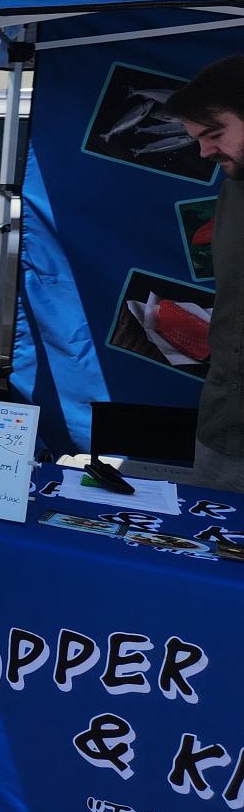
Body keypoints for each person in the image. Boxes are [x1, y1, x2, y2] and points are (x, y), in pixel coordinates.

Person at [166, 57, 244, 492]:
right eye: (196, 138)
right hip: (222, 428)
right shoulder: (233, 187)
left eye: (214, 134)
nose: (204, 152)